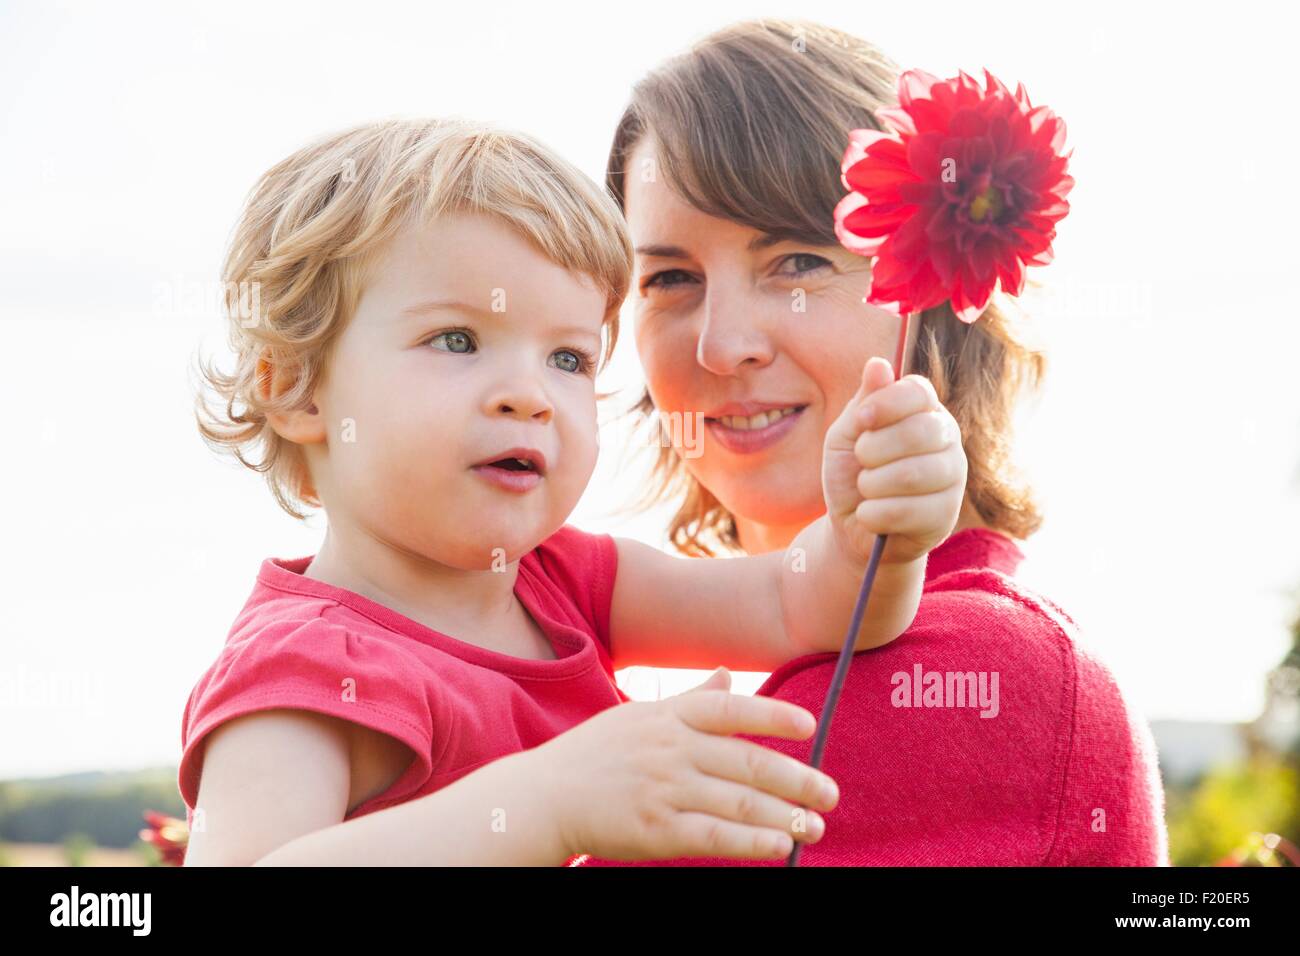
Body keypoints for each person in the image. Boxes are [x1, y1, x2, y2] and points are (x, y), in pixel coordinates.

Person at [178, 117, 970, 865]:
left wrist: (868, 537)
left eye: (569, 359)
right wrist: (548, 801)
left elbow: (797, 609)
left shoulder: (564, 583)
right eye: (457, 339)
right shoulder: (305, 670)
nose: (530, 396)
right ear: (296, 389)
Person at [576, 19, 1168, 866]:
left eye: (797, 262)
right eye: (671, 278)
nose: (722, 345)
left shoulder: (982, 675)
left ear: (934, 289)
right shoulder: (690, 665)